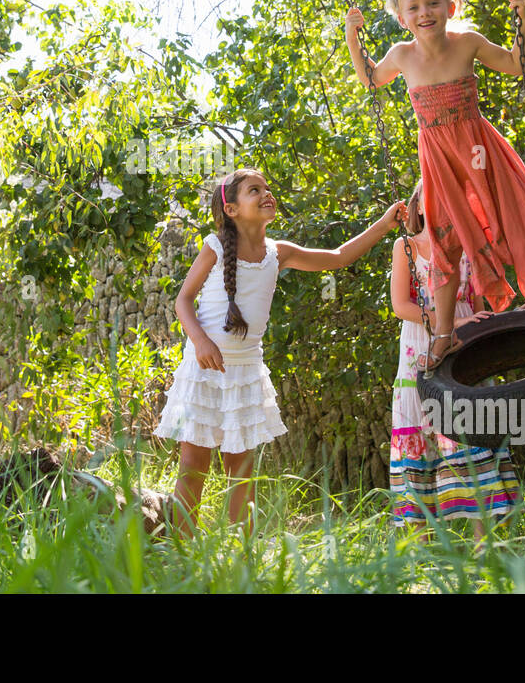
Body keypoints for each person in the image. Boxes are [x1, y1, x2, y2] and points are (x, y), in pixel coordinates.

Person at [344, 0, 525, 371]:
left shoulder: (467, 42)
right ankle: (443, 333)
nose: (425, 13)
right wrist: (353, 35)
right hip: (440, 162)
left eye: (433, 3)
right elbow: (369, 78)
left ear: (450, 7)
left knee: (521, 220)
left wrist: (523, 17)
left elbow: (517, 64)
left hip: (482, 152)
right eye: (414, 7)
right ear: (402, 18)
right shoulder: (401, 55)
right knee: (444, 241)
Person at [155, 167, 400, 538]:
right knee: (194, 463)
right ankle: (180, 549)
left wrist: (384, 224)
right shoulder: (216, 247)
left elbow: (337, 256)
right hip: (204, 370)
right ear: (232, 209)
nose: (266, 194)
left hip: (245, 372)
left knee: (242, 469)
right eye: (255, 190)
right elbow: (183, 300)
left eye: (267, 188)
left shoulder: (278, 252)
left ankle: (243, 552)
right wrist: (201, 341)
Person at [389, 181, 517, 541]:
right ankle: (422, 546)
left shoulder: (469, 251)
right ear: (419, 206)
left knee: (471, 433)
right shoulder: (407, 247)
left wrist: (493, 324)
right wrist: (451, 321)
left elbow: (479, 309)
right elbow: (402, 306)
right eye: (435, 199)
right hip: (420, 345)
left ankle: (483, 543)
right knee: (419, 435)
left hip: (464, 349)